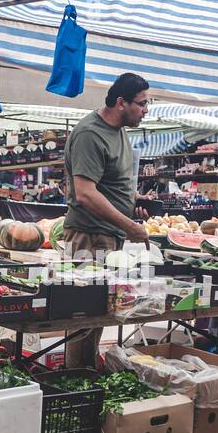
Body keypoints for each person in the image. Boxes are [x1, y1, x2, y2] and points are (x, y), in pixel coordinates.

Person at [61, 72, 150, 367]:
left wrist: (134, 203)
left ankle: (86, 374)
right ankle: (77, 382)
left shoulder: (120, 131)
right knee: (82, 316)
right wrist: (129, 225)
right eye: (142, 103)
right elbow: (85, 193)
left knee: (98, 314)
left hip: (109, 235)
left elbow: (110, 184)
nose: (146, 110)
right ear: (121, 102)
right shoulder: (90, 134)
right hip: (89, 235)